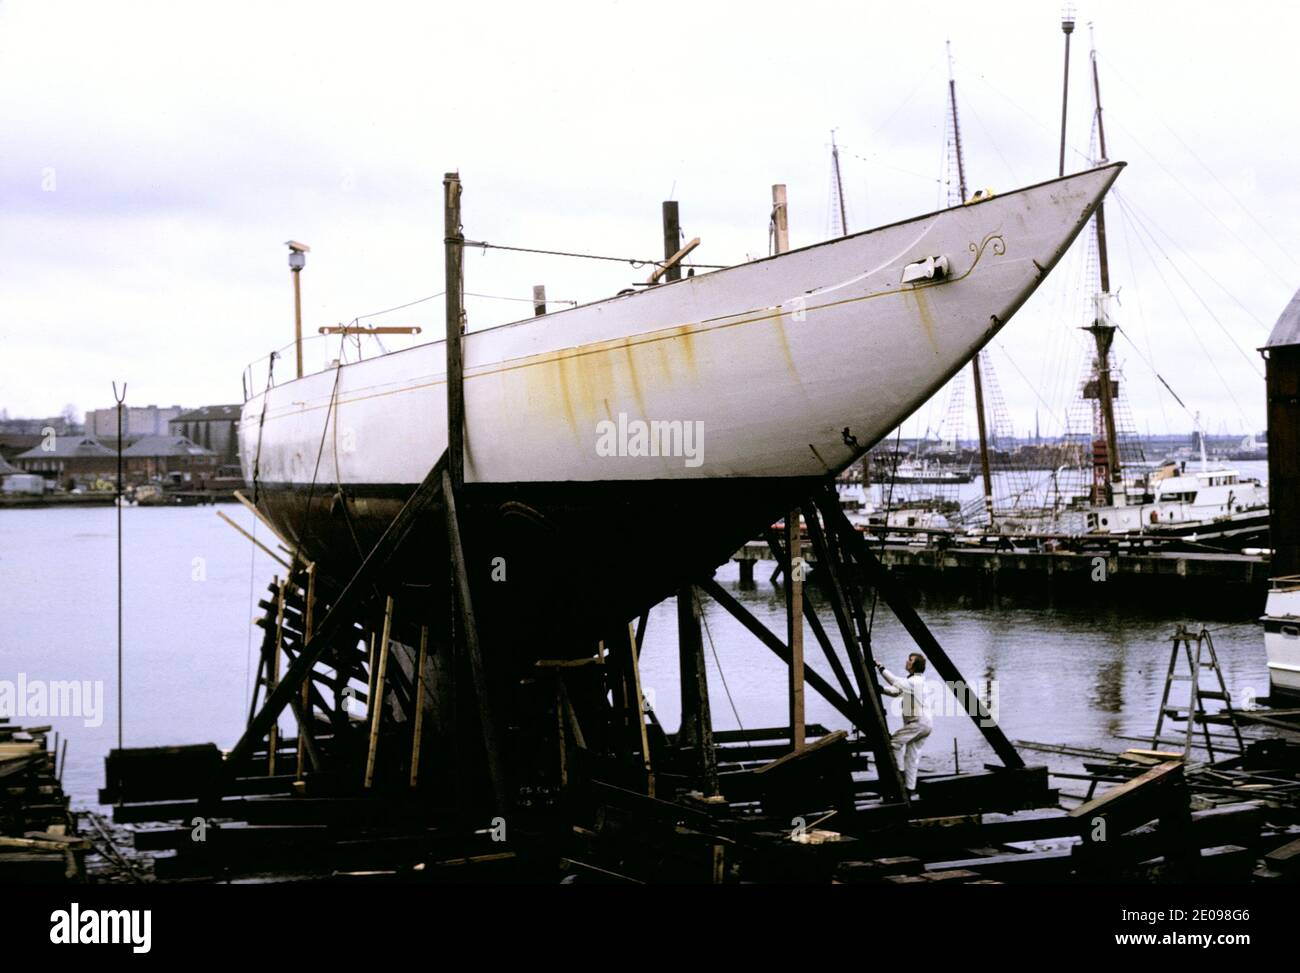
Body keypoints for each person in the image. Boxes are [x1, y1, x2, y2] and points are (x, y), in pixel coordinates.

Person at [875, 653, 933, 794]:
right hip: (925, 725)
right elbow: (897, 691)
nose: (907, 661)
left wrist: (881, 667)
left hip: (918, 723)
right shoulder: (914, 681)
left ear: (915, 666)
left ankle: (899, 774)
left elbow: (895, 682)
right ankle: (910, 789)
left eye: (910, 660)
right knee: (911, 757)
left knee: (894, 743)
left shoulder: (915, 681)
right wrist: (881, 690)